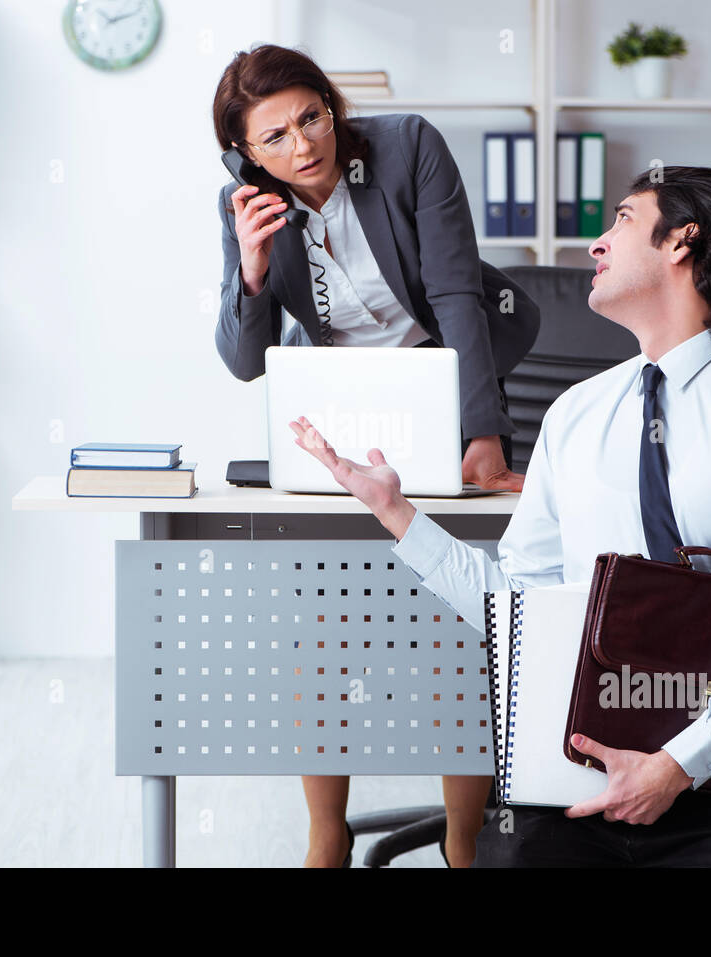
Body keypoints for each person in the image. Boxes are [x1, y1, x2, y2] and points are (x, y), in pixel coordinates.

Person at [288, 165, 711, 867]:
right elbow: (522, 609)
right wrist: (396, 511)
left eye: (621, 219)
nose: (595, 244)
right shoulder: (577, 414)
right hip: (577, 786)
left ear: (684, 241)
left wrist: (679, 764)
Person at [212, 43, 540, 868]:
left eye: (311, 116)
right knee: (318, 629)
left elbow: (460, 291)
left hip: (447, 385)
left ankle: (465, 836)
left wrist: (483, 439)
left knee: (464, 627)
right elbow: (244, 360)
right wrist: (251, 274)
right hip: (346, 414)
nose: (303, 146)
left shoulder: (406, 147)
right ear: (245, 154)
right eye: (275, 136)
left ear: (333, 106)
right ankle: (327, 829)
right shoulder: (248, 206)